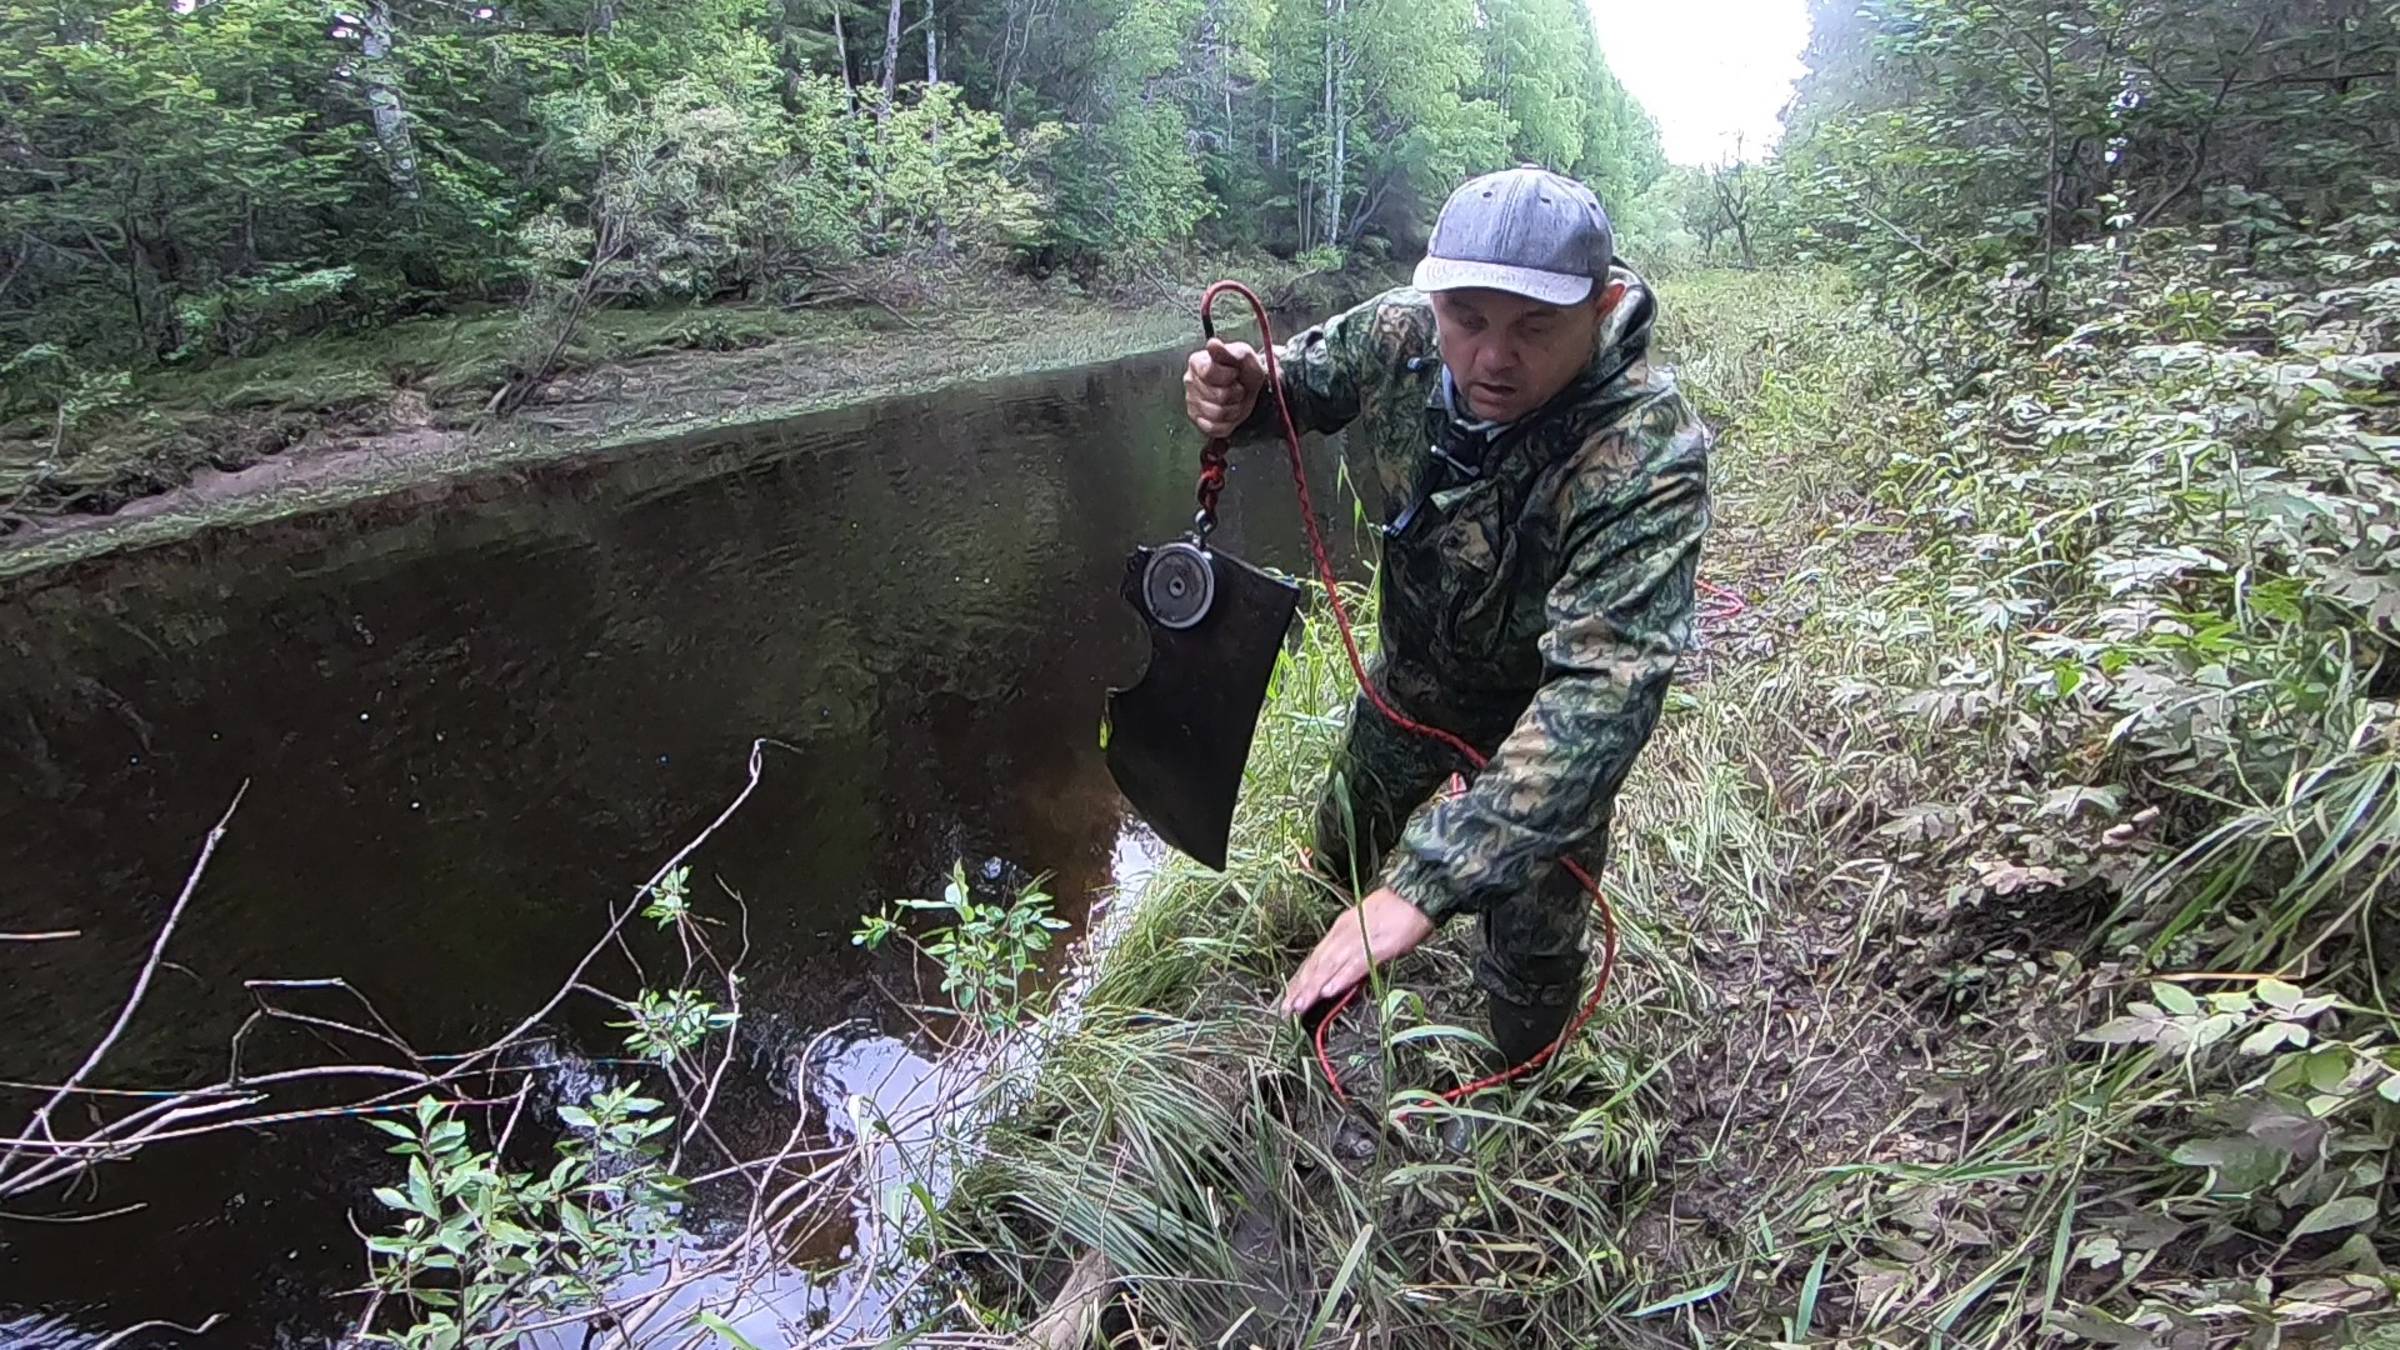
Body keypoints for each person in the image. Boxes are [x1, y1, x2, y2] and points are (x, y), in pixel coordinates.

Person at [1183, 165, 1712, 1068]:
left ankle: (1522, 1093)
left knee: (1533, 963)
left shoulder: (1648, 453)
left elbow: (1601, 692)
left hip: (1540, 732)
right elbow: (1294, 384)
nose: (1492, 358)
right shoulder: (1400, 332)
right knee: (1339, 853)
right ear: (1433, 299)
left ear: (1604, 303)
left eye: (1534, 328)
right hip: (1409, 692)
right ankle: (1295, 1014)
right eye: (1466, 320)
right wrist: (1235, 390)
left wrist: (1424, 885)